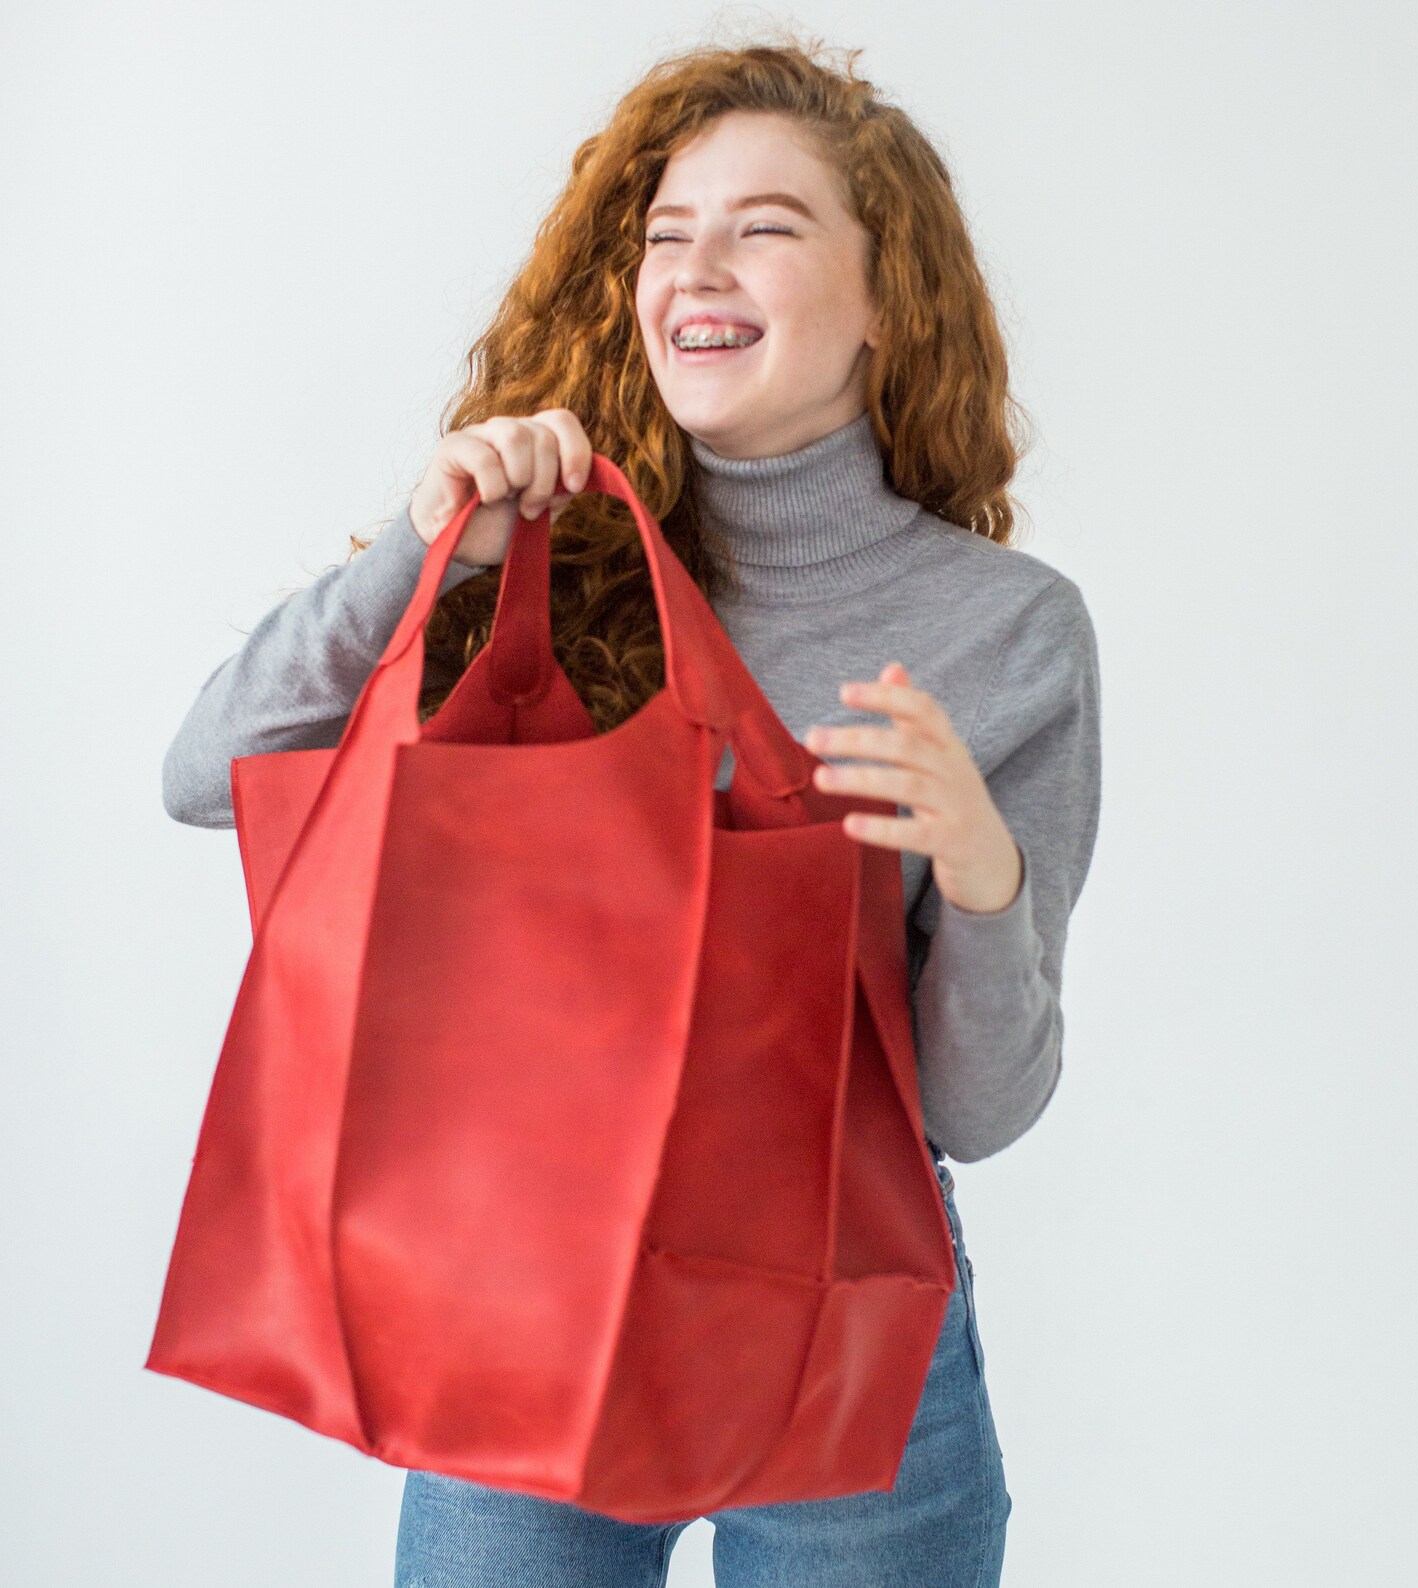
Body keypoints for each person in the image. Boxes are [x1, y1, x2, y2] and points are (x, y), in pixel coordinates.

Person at [161, 34, 1101, 1588]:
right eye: (668, 233)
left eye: (765, 227)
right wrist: (422, 554)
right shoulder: (542, 547)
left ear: (888, 301)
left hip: (847, 1324)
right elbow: (205, 772)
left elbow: (978, 1115)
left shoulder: (1005, 633)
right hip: (534, 1297)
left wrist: (985, 881)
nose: (696, 269)